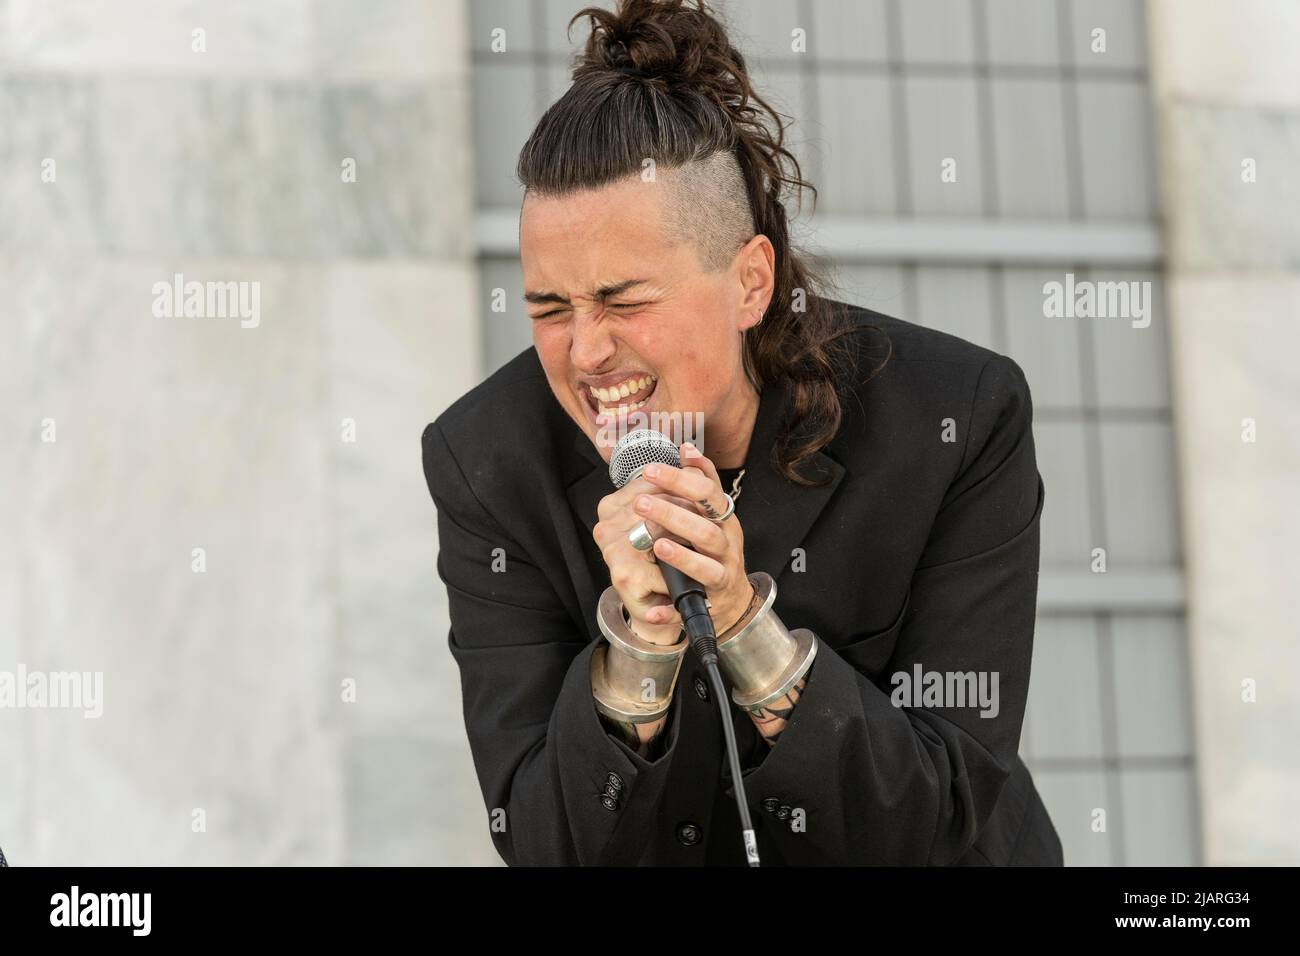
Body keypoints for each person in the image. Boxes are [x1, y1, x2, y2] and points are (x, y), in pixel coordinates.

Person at [422, 0, 1063, 866]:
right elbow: (544, 841)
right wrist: (640, 646)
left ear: (751, 283)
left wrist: (741, 623)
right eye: (549, 308)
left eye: (624, 300)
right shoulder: (485, 461)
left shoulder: (954, 415)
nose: (587, 353)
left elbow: (943, 803)